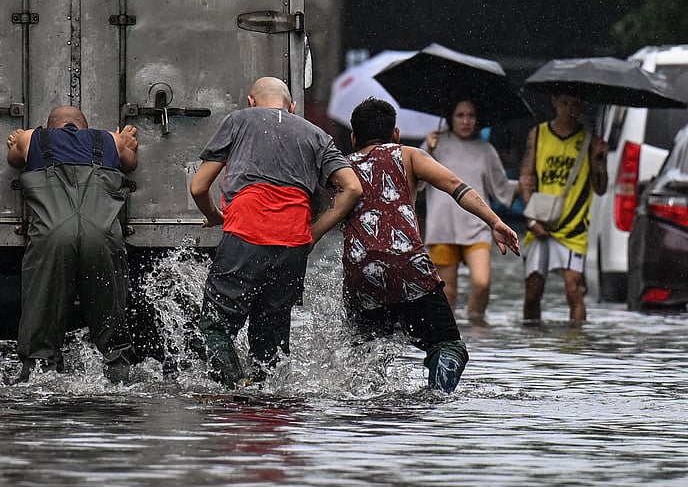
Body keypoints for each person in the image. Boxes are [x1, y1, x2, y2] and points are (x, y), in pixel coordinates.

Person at [320, 98, 519, 392]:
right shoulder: (409, 155)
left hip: (361, 275)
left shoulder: (343, 167)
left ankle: (362, 403)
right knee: (448, 345)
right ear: (396, 134)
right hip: (408, 268)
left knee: (364, 352)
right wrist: (494, 221)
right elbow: (455, 186)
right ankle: (435, 400)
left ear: (353, 138)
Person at [190, 77, 363, 388]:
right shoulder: (317, 135)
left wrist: (215, 216)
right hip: (294, 243)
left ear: (251, 102)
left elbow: (199, 186)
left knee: (215, 327)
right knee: (271, 335)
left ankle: (234, 390)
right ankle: (270, 408)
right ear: (292, 107)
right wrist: (313, 233)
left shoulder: (239, 120)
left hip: (246, 233)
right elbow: (352, 188)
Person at [6, 106, 139, 383]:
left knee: (42, 311)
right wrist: (125, 139)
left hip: (52, 237)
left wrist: (17, 140)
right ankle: (117, 373)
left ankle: (40, 374)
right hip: (101, 235)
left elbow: (13, 159)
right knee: (109, 312)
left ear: (50, 127)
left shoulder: (31, 138)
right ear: (85, 126)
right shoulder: (109, 141)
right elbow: (131, 163)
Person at [422, 99, 517, 324]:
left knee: (482, 282)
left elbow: (500, 186)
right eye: (460, 115)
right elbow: (415, 180)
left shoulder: (485, 149)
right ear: (450, 118)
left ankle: (477, 327)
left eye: (471, 115)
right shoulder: (435, 144)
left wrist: (525, 184)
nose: (466, 121)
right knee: (448, 294)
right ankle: (452, 338)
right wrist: (427, 148)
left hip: (477, 227)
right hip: (443, 227)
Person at [518, 93, 608, 324]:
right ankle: (532, 340)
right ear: (555, 102)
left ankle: (576, 344)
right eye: (565, 103)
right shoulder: (538, 134)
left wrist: (599, 161)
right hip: (540, 220)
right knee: (533, 292)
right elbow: (526, 179)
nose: (569, 109)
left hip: (574, 226)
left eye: (576, 103)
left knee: (573, 289)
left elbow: (600, 188)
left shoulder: (590, 140)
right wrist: (531, 220)